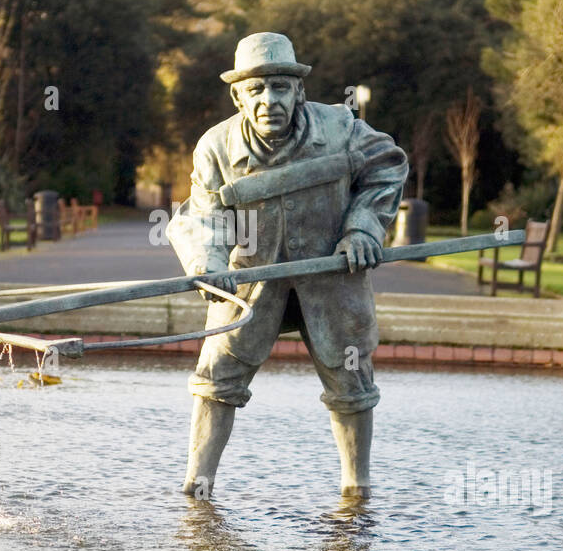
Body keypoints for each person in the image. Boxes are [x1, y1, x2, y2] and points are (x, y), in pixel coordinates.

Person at [166, 32, 408, 499]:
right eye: (256, 90)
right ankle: (197, 484)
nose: (269, 100)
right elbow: (202, 214)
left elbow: (387, 165)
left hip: (331, 275)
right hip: (250, 280)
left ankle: (356, 488)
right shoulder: (215, 147)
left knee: (350, 375)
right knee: (217, 375)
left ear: (299, 90)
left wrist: (362, 228)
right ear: (238, 96)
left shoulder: (341, 128)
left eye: (280, 87)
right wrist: (208, 264)